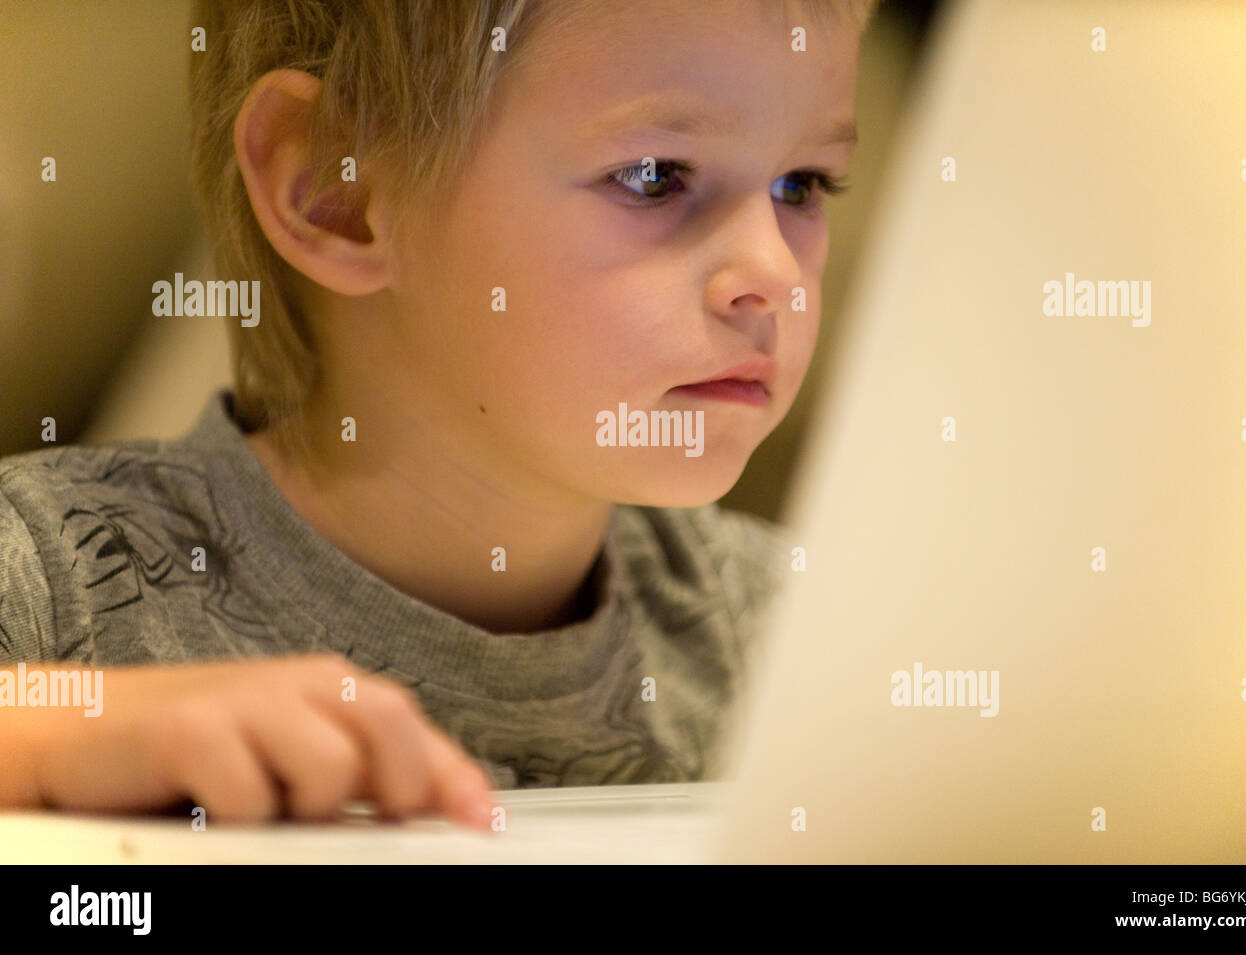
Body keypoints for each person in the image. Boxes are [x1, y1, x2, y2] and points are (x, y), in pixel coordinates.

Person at [0, 0, 872, 828]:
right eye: (655, 177)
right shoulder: (46, 579)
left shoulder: (805, 631)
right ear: (334, 190)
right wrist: (47, 742)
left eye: (803, 183)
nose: (773, 272)